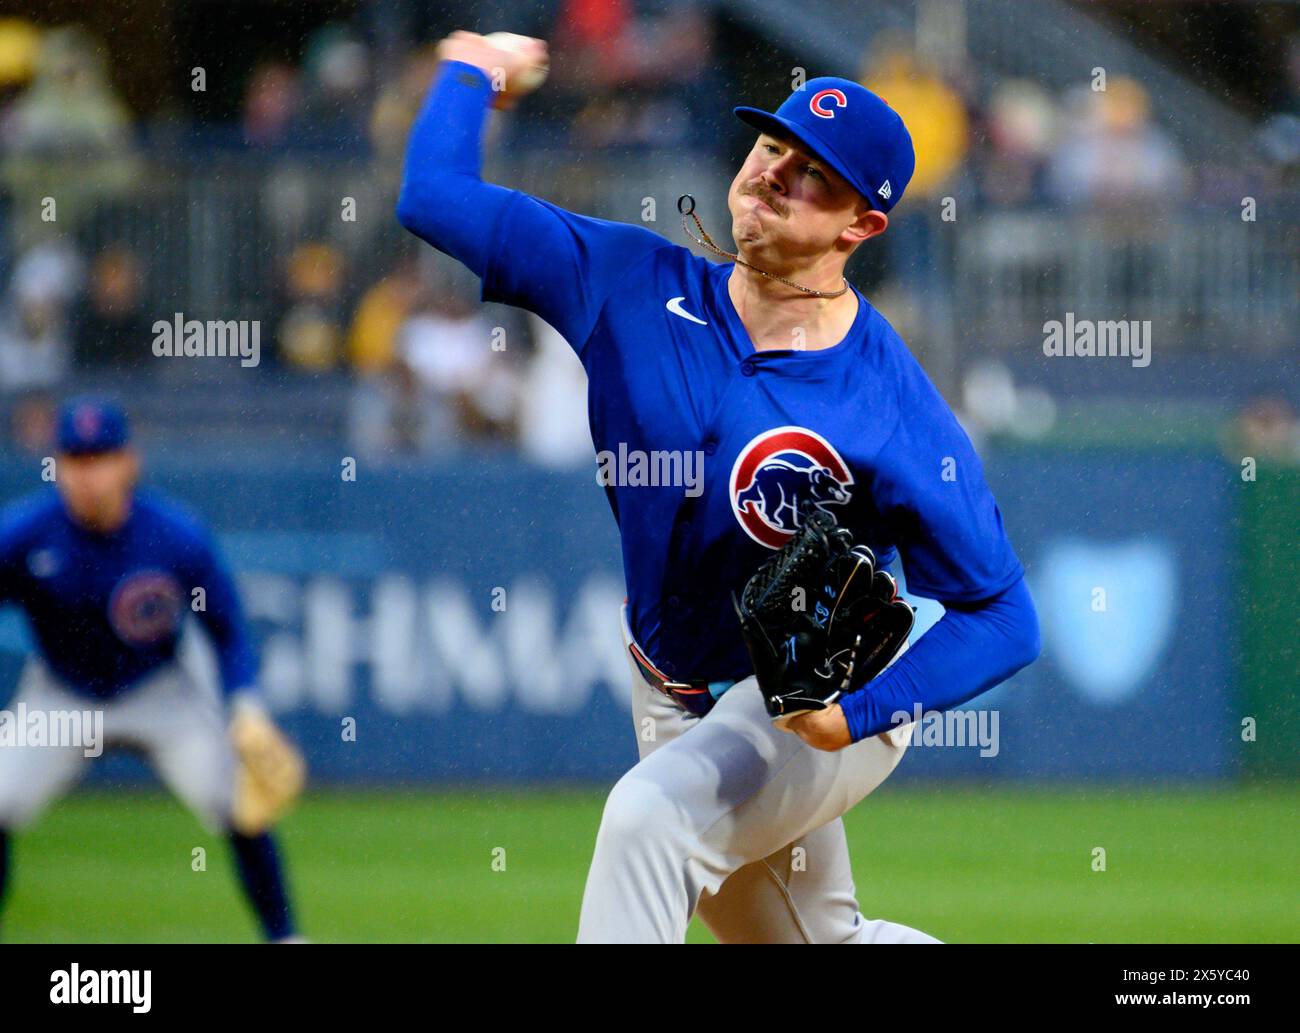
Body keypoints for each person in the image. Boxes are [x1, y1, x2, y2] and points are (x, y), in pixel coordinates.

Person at [397, 32, 1040, 943]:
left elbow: (1007, 615)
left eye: (815, 173)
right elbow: (433, 197)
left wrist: (854, 715)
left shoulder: (889, 401)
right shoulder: (624, 283)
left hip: (809, 695)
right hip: (669, 690)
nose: (777, 172)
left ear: (861, 225)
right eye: (773, 145)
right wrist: (470, 68)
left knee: (647, 823)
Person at [0, 397, 301, 941]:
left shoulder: (175, 535)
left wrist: (247, 706)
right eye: (75, 459)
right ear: (57, 466)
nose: (88, 474)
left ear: (129, 462)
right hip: (60, 694)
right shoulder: (25, 535)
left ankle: (285, 937)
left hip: (161, 691)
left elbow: (227, 629)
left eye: (101, 457)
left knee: (244, 804)